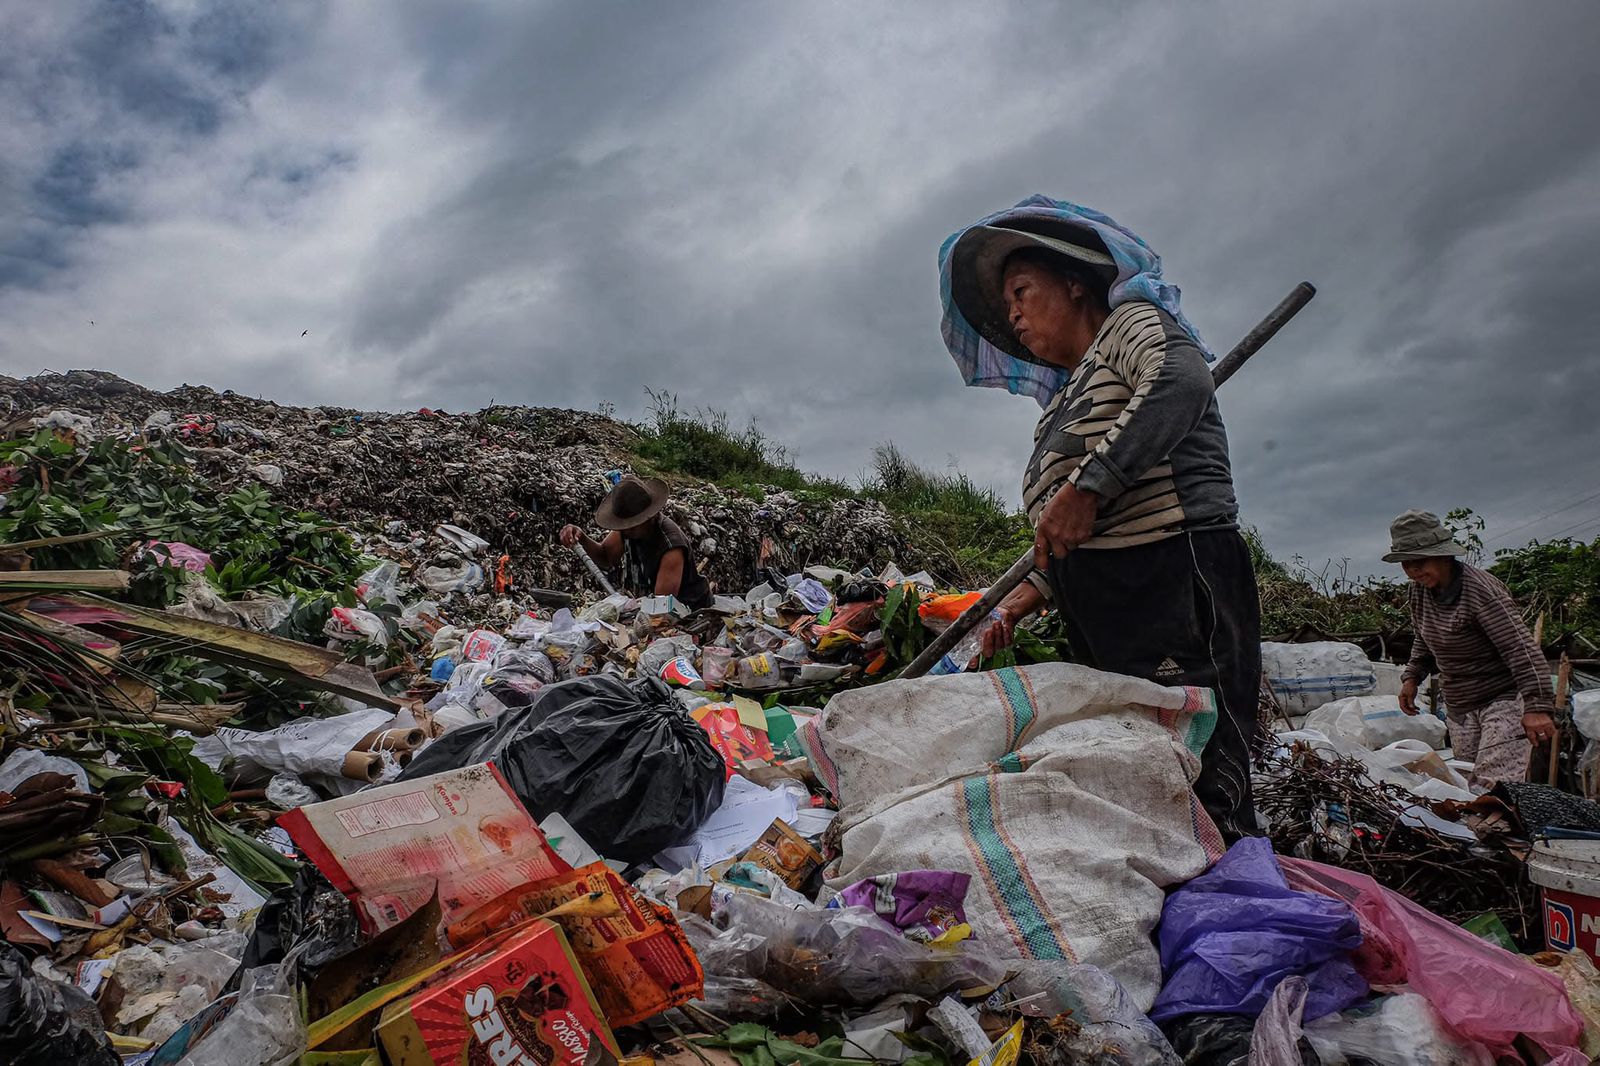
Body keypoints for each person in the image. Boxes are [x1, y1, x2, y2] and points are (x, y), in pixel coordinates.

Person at [940, 197, 1260, 840]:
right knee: (1142, 765)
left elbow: (1181, 382)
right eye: (1008, 306)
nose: (1014, 314)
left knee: (1198, 764)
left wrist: (1088, 488)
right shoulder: (1071, 391)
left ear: (1076, 285)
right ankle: (1175, 901)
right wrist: (1026, 598)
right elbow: (1079, 530)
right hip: (1111, 601)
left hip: (1171, 573)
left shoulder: (1132, 326)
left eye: (1022, 292)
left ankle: (1234, 904)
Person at [1386, 509, 1555, 788]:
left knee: (1495, 788)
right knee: (1466, 780)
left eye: (1420, 561)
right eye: (1405, 563)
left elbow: (1520, 649)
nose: (1413, 570)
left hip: (1502, 698)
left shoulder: (1480, 591)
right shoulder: (1418, 592)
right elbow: (1423, 636)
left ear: (1443, 555)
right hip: (1459, 704)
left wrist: (1537, 706)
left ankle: (1497, 830)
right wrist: (1412, 676)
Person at [559, 475, 713, 609]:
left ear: (649, 517)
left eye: (632, 526)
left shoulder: (671, 546)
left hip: (689, 611)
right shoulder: (628, 531)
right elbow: (606, 557)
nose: (625, 531)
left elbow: (661, 607)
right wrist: (582, 538)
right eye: (624, 526)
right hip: (651, 606)